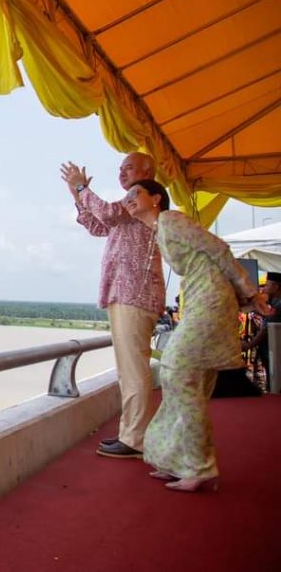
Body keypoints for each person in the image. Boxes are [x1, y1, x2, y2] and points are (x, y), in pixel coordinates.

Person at [122, 179, 270, 492]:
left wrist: (250, 292)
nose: (128, 198)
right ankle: (179, 460)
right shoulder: (160, 230)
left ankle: (198, 465)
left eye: (136, 193)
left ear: (156, 198)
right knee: (189, 379)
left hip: (210, 299)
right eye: (126, 195)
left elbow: (218, 249)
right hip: (202, 297)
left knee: (176, 370)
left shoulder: (171, 220)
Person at [61, 153, 165, 459]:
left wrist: (81, 189)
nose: (122, 173)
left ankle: (135, 438)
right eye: (120, 169)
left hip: (134, 295)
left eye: (129, 168)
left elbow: (105, 215)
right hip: (125, 295)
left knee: (133, 370)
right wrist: (78, 196)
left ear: (148, 171)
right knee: (129, 370)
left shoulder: (139, 201)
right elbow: (96, 226)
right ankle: (131, 433)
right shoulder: (131, 208)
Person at [243, 271, 280, 387]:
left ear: (276, 286)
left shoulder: (278, 305)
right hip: (269, 347)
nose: (264, 288)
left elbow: (265, 328)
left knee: (275, 378)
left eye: (267, 285)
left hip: (274, 348)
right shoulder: (273, 301)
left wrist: (249, 345)